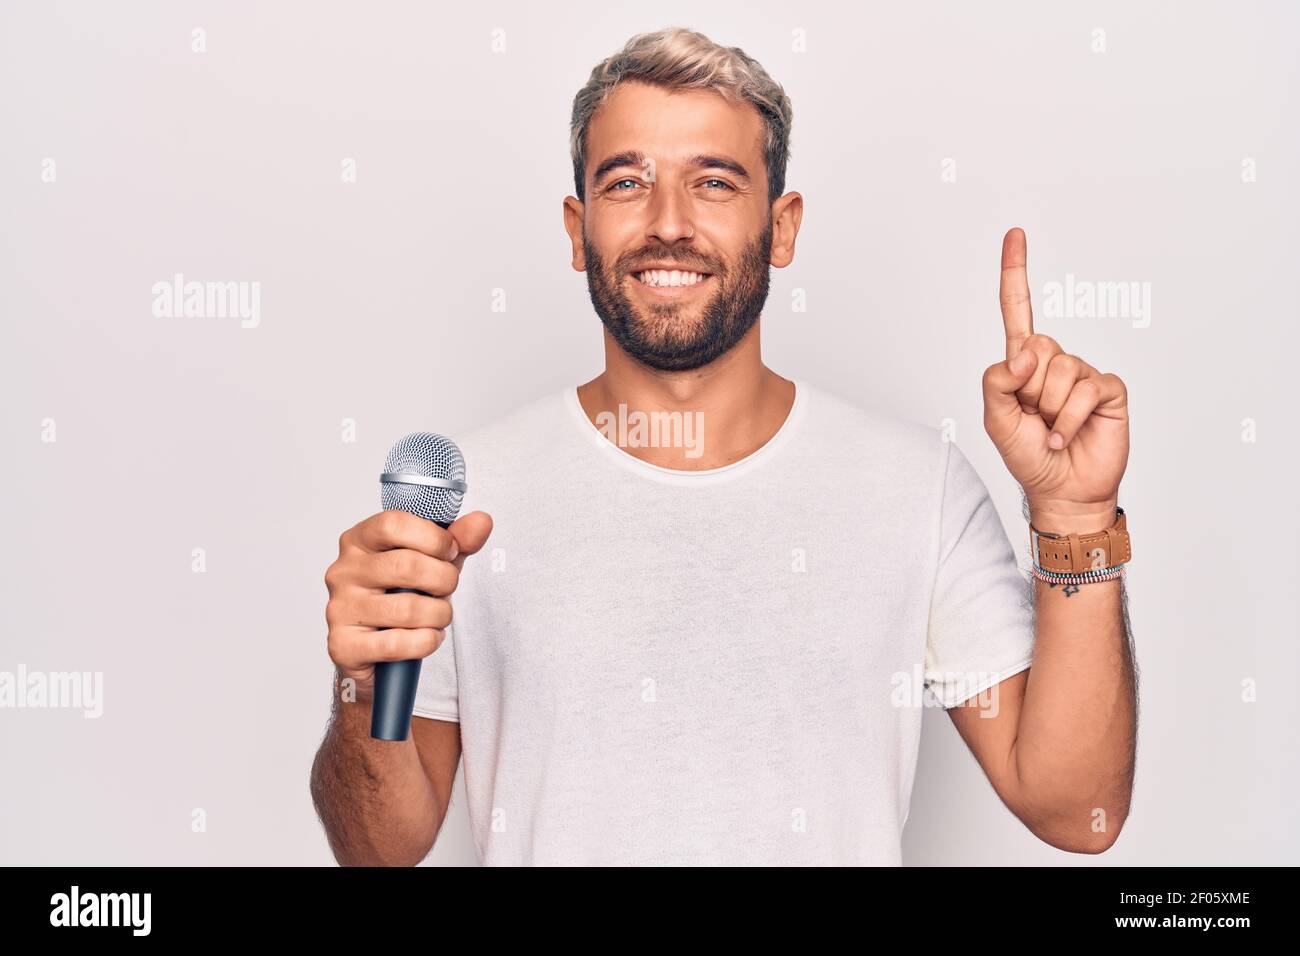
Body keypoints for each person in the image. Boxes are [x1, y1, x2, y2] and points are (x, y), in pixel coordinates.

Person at [310, 26, 1136, 866]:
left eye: (713, 182)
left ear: (781, 228)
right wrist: (361, 688)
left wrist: (1076, 515)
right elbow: (379, 852)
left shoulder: (915, 488)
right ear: (577, 227)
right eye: (626, 181)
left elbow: (1076, 809)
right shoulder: (466, 504)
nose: (669, 224)